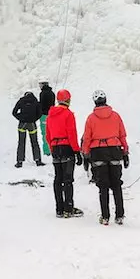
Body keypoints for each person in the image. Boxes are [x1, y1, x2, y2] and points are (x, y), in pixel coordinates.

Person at [81, 90, 129, 225]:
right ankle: (119, 215)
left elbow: (87, 138)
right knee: (116, 184)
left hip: (98, 152)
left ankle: (105, 216)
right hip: (114, 150)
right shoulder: (116, 116)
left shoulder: (91, 118)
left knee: (103, 186)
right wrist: (125, 152)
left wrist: (85, 154)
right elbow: (122, 135)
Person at [45, 89, 83, 218]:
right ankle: (68, 207)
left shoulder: (50, 115)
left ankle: (59, 208)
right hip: (67, 147)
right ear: (67, 100)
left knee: (58, 179)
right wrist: (77, 151)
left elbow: (48, 135)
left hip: (55, 147)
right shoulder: (68, 114)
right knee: (67, 179)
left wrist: (52, 148)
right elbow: (71, 133)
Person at [12, 91, 44, 168]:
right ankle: (38, 160)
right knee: (34, 142)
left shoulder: (21, 100)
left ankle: (19, 162)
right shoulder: (35, 101)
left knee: (21, 142)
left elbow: (14, 112)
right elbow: (40, 113)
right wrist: (34, 118)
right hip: (32, 124)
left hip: (22, 124)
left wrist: (21, 117)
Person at [39, 79, 56, 156]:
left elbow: (41, 105)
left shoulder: (42, 93)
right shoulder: (52, 93)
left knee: (45, 133)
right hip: (52, 115)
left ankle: (46, 151)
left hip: (44, 116)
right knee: (52, 132)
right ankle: (53, 148)